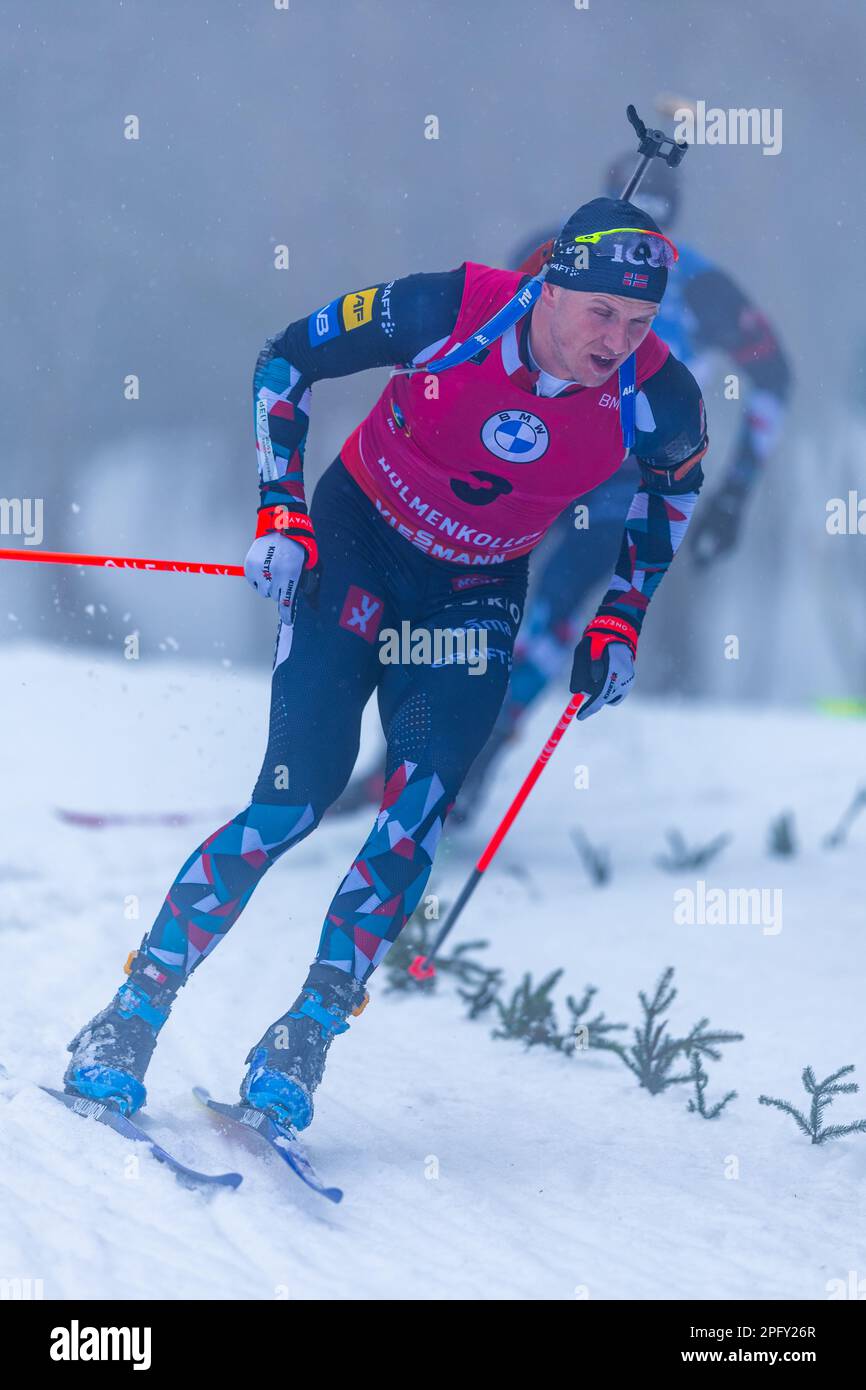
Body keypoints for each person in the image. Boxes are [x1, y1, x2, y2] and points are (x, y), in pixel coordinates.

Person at [63, 195, 708, 1131]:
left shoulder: (658, 394)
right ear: (551, 286)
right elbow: (287, 356)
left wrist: (622, 617)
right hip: (357, 547)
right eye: (602, 313)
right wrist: (280, 507)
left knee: (418, 812)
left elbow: (674, 488)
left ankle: (306, 1036)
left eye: (639, 322)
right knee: (293, 799)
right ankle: (132, 1013)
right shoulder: (452, 310)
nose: (617, 340)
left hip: (475, 593)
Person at [443, 153, 792, 821]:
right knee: (477, 594)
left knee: (546, 611)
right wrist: (734, 494)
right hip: (537, 453)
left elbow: (774, 375)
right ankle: (434, 748)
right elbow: (481, 341)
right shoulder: (554, 253)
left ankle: (467, 762)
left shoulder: (676, 280)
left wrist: (733, 496)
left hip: (605, 469)